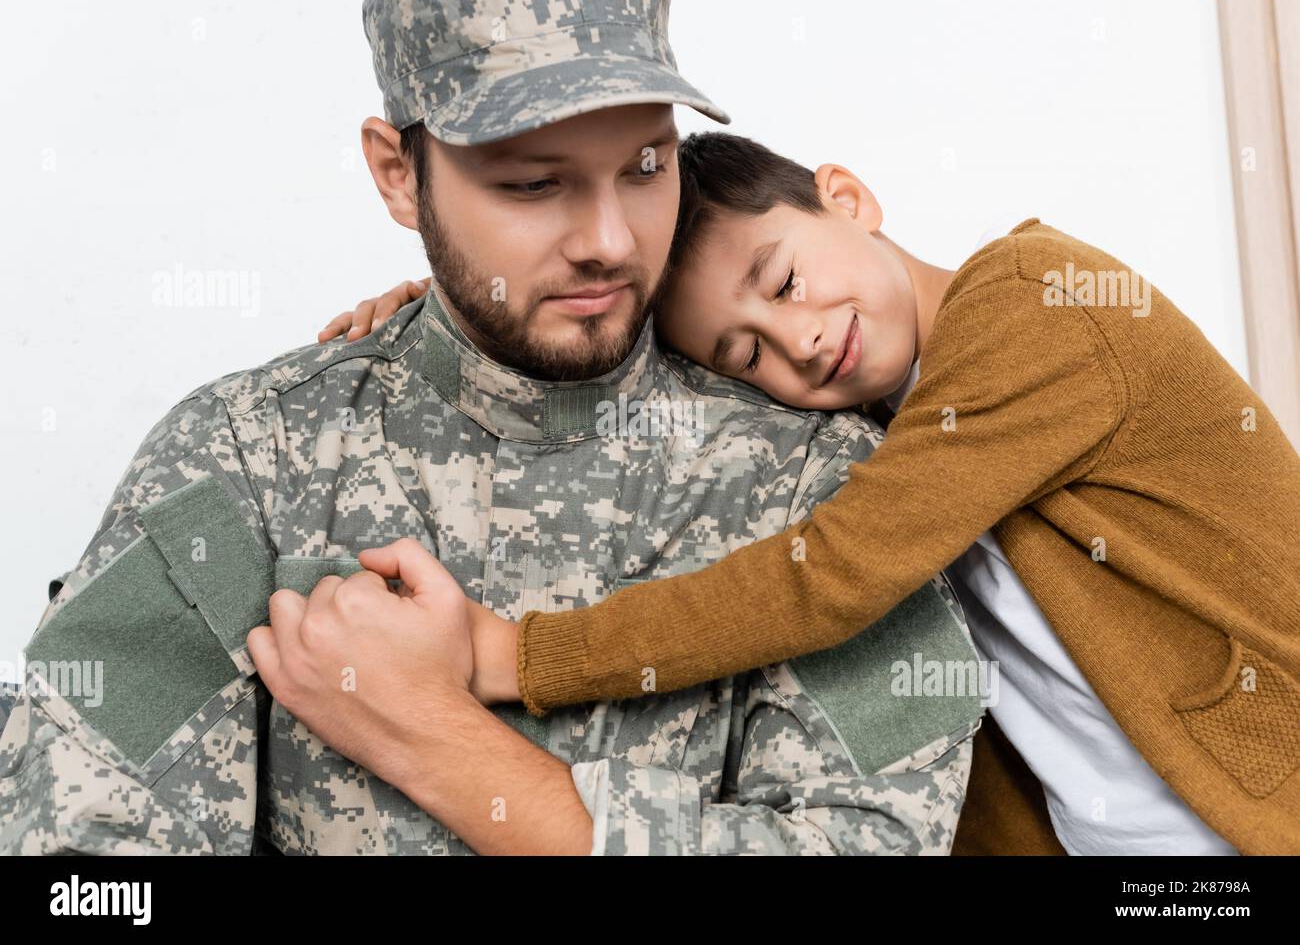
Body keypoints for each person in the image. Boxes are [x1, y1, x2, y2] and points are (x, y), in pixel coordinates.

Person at [0, 0, 982, 855]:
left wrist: (435, 738)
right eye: (529, 183)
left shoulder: (832, 486)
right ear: (397, 173)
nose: (606, 242)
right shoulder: (245, 459)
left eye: (645, 166)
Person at [329, 131, 1300, 856]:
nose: (793, 340)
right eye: (744, 355)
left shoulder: (1036, 300)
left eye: (783, 281)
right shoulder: (875, 428)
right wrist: (463, 316)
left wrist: (517, 654)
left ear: (847, 197)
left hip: (1250, 827)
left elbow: (827, 577)